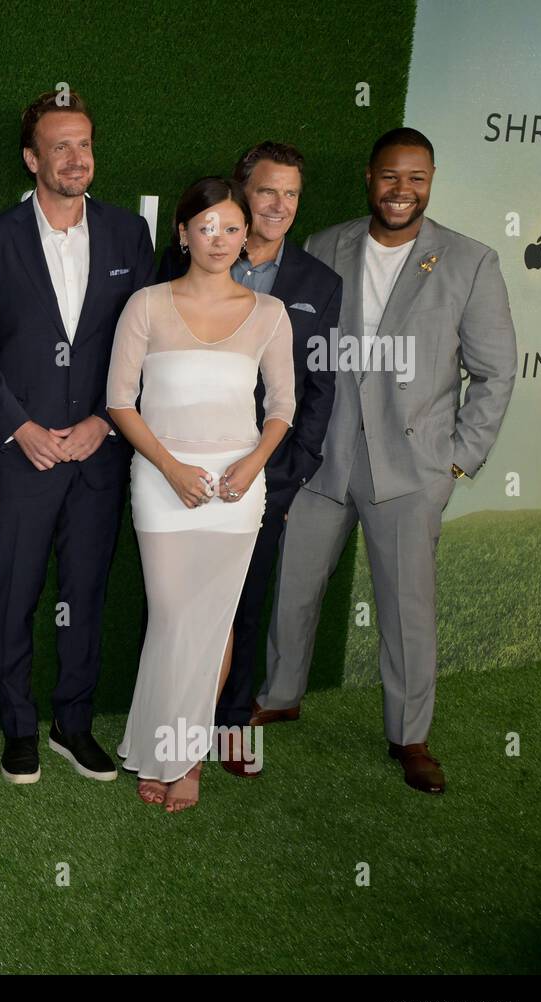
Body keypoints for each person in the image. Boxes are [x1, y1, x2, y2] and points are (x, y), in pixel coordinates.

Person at [255, 127, 516, 793]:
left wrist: (456, 463)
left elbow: (495, 372)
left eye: (417, 178)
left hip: (410, 470)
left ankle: (410, 735)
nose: (403, 191)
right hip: (323, 457)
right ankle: (281, 694)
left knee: (406, 608)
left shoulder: (470, 261)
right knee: (294, 589)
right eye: (391, 177)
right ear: (369, 178)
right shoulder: (323, 245)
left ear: (431, 180)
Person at [0, 89, 154, 785]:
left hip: (100, 452)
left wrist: (107, 419)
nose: (76, 159)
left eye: (84, 144)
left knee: (87, 590)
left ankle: (74, 723)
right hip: (25, 455)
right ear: (31, 158)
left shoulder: (130, 236)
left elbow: (144, 341)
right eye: (60, 147)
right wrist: (18, 425)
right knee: (15, 592)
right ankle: (19, 727)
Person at [107, 177, 294, 812]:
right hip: (163, 483)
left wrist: (250, 466)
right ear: (182, 234)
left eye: (231, 228)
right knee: (172, 618)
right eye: (206, 227)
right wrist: (170, 467)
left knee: (214, 626)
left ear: (246, 237)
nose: (219, 239)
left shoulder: (270, 314)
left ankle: (184, 759)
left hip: (238, 487)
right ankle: (161, 743)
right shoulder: (147, 306)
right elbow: (118, 402)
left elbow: (284, 407)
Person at [157, 142, 341, 775]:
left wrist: (289, 474)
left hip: (265, 477)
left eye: (291, 194)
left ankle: (232, 727)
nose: (280, 206)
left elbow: (317, 391)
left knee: (245, 598)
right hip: (177, 474)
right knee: (181, 604)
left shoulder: (320, 284)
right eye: (267, 192)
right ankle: (172, 729)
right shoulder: (185, 264)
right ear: (241, 191)